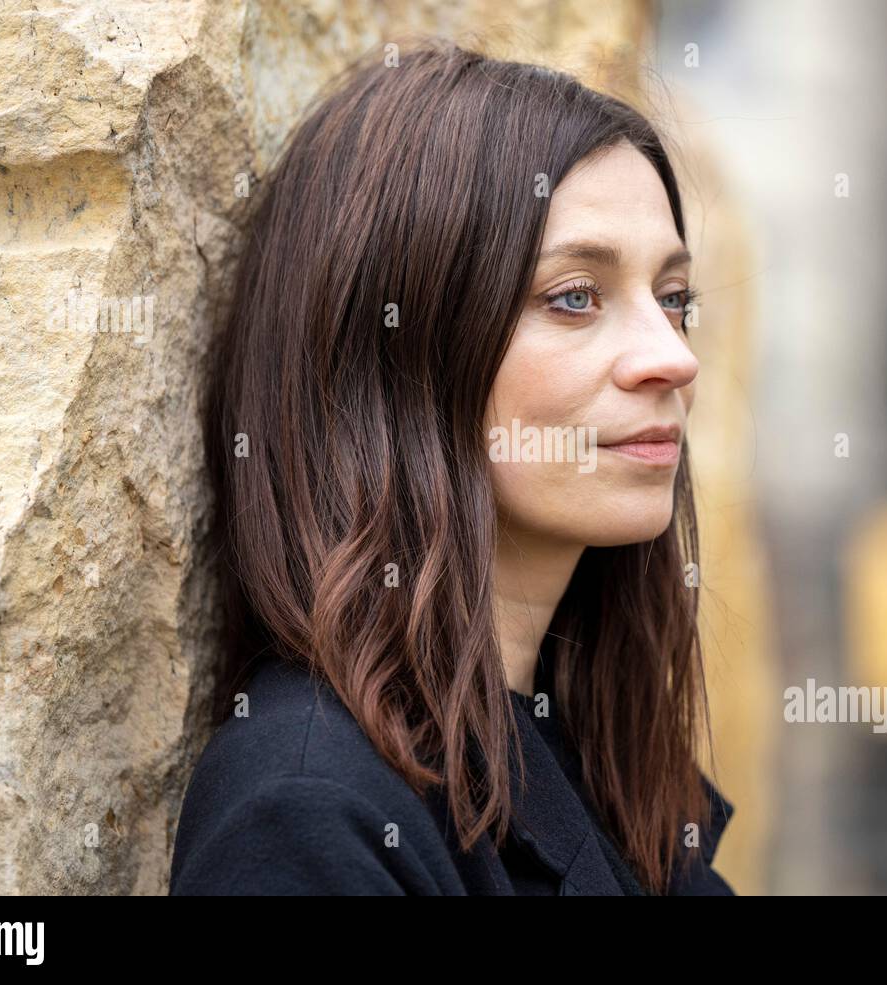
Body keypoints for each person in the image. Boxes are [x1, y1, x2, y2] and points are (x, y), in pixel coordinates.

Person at [170, 38, 735, 895]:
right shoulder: (307, 810)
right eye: (574, 296)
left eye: (674, 298)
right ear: (398, 353)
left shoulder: (598, 765)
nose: (673, 358)